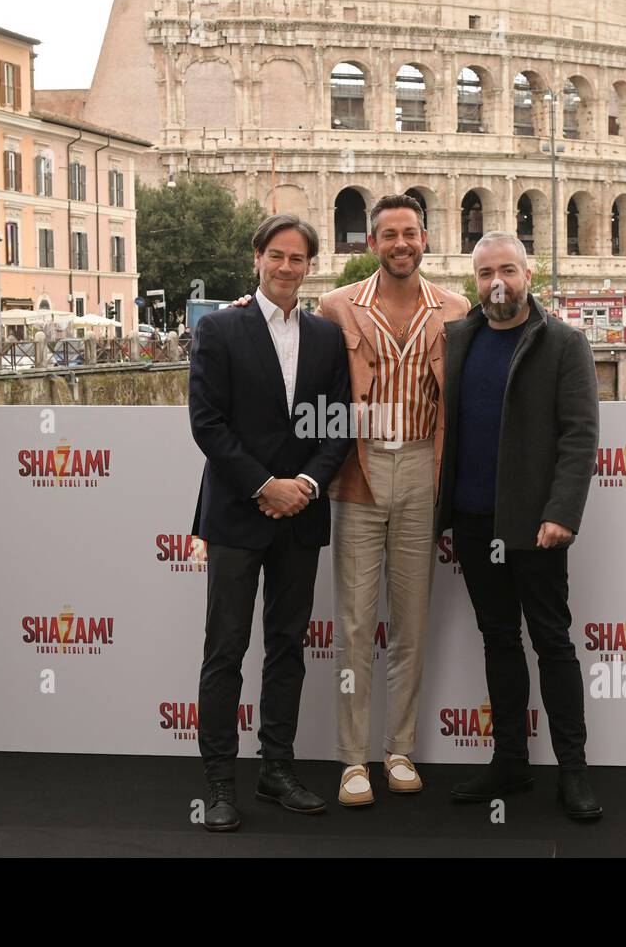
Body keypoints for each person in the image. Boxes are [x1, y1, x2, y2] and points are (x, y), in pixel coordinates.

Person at [188, 214, 353, 833]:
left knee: (287, 647)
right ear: (258, 258)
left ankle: (276, 769)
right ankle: (219, 782)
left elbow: (335, 423)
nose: (287, 268)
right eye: (277, 256)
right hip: (236, 513)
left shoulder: (326, 337)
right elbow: (208, 424)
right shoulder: (220, 329)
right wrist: (265, 486)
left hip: (300, 517)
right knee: (225, 650)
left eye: (299, 259)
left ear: (310, 266)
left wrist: (304, 486)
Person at [435, 231, 603, 820]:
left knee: (553, 644)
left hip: (535, 527)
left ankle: (573, 772)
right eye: (484, 273)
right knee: (499, 641)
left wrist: (561, 512)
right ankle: (511, 760)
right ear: (474, 281)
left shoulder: (563, 343)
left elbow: (580, 436)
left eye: (506, 269)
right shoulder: (459, 339)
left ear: (528, 275)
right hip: (475, 523)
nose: (496, 282)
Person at [314, 194, 469, 806]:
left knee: (410, 619)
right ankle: (353, 759)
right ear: (371, 243)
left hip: (423, 470)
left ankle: (399, 749)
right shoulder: (335, 307)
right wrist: (247, 304)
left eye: (410, 233)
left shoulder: (455, 309)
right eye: (389, 235)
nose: (401, 244)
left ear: (424, 239)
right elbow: (300, 361)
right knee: (354, 623)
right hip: (360, 468)